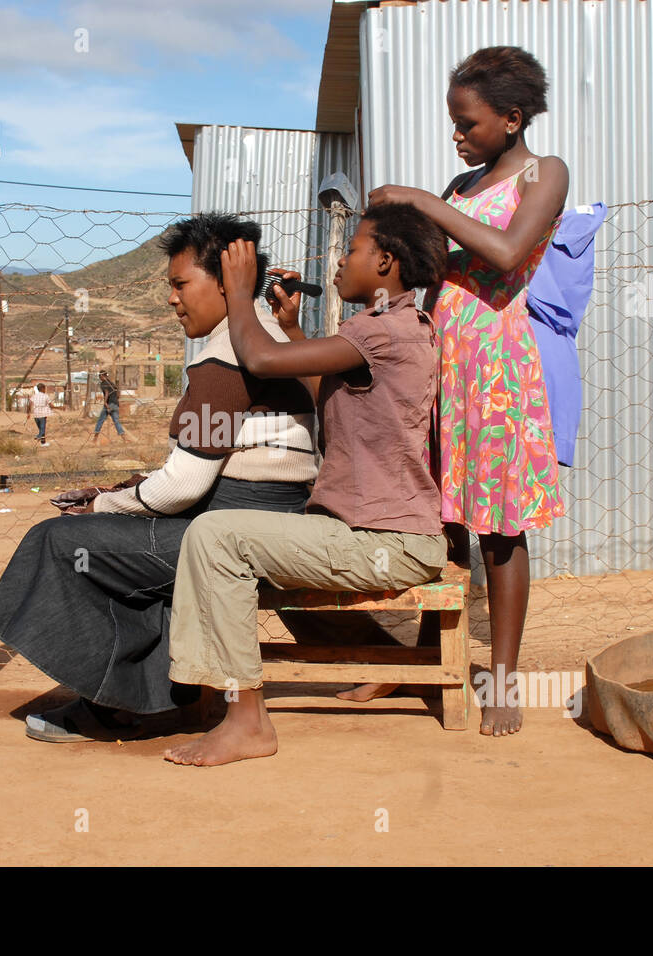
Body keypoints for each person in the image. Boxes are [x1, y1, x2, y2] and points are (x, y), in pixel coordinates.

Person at [0, 213, 318, 743]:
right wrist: (125, 496)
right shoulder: (275, 340)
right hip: (274, 522)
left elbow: (183, 487)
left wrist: (103, 507)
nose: (172, 298)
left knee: (59, 542)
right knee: (127, 543)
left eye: (181, 284)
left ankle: (120, 706)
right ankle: (168, 699)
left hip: (232, 534)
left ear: (228, 281)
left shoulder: (225, 359)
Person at [161, 202, 451, 767]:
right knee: (263, 538)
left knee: (215, 537)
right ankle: (375, 665)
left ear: (386, 261)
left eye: (352, 250)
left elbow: (263, 358)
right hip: (384, 533)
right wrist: (291, 324)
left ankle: (245, 721)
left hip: (385, 540)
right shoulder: (394, 330)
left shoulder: (383, 330)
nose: (338, 263)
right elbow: (330, 394)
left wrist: (241, 295)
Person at [365, 46, 570, 736]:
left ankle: (504, 678)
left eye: (468, 124)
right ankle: (429, 658)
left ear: (512, 119)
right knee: (439, 516)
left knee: (499, 529)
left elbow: (508, 253)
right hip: (443, 361)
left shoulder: (545, 174)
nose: (457, 136)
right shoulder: (460, 187)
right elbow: (434, 271)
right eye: (453, 124)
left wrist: (422, 200)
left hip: (497, 372)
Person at [91, 370, 128, 443]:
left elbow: (107, 393)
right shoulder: (112, 383)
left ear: (102, 376)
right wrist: (115, 401)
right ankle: (124, 439)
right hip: (115, 404)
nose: (99, 378)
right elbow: (118, 394)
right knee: (116, 422)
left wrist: (105, 403)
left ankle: (95, 439)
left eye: (99, 376)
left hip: (109, 404)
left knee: (100, 421)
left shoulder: (103, 384)